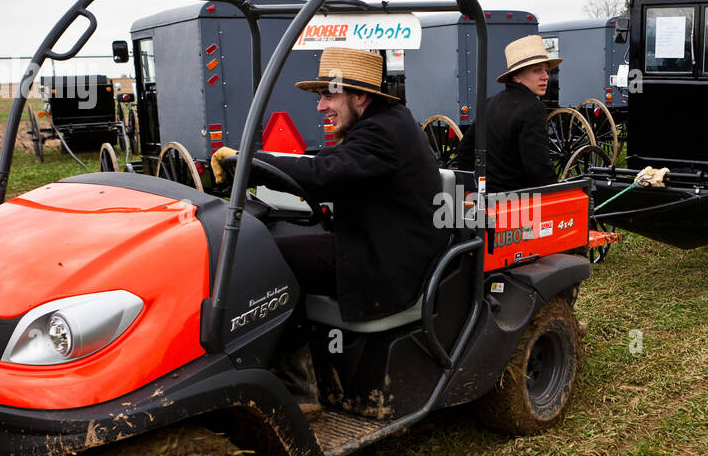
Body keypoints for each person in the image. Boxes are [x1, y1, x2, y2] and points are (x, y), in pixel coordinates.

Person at [214, 47, 447, 324]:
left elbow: (323, 174)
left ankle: (293, 358)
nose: (320, 106)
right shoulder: (384, 122)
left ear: (359, 96)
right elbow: (331, 161)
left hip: (386, 263)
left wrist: (249, 163)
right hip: (380, 243)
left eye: (329, 95)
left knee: (263, 257)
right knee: (274, 246)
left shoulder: (381, 131)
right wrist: (254, 161)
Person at [455, 34, 560, 193]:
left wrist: (474, 190)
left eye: (546, 70)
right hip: (517, 205)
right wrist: (558, 193)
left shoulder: (489, 104)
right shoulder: (533, 108)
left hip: (487, 201)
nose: (545, 76)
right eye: (536, 70)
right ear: (517, 76)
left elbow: (464, 150)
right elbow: (538, 168)